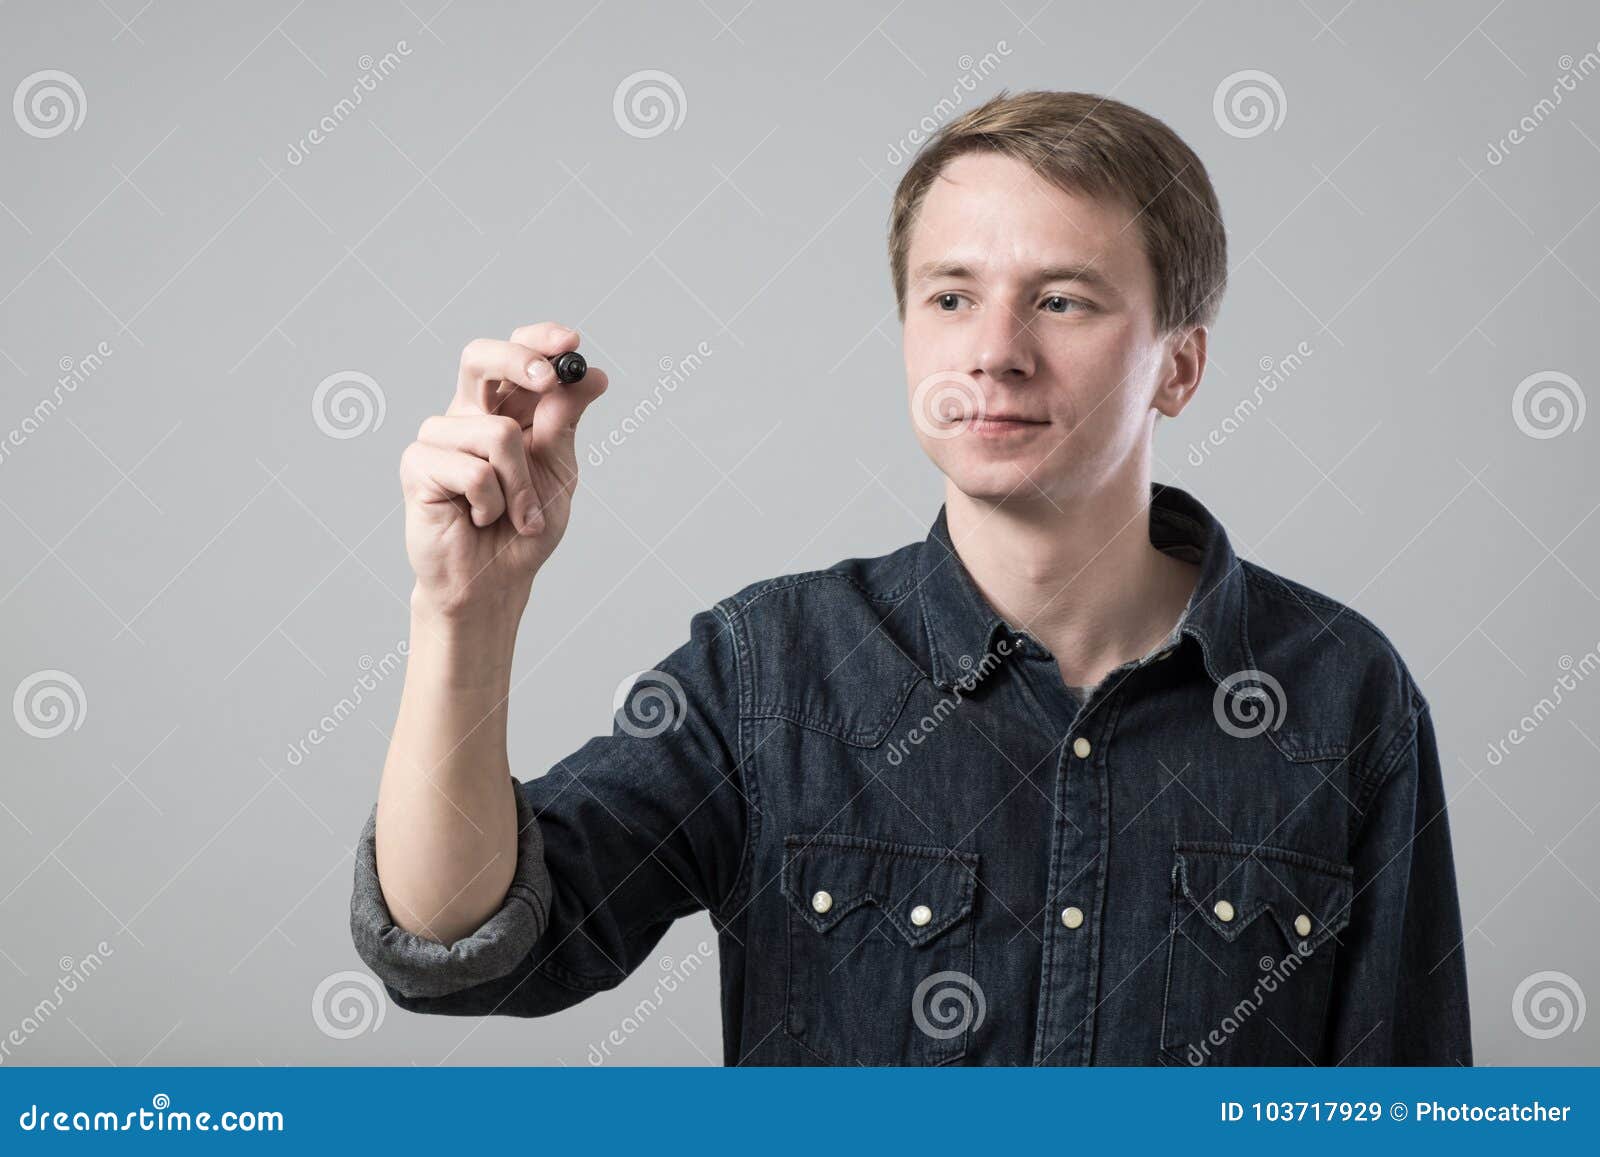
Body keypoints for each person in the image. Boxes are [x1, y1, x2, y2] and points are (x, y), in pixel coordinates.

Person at [348, 89, 1472, 1066]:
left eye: (1062, 298)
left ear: (1176, 366)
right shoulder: (768, 671)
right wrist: (467, 608)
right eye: (949, 296)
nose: (994, 349)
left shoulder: (1338, 693)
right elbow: (464, 944)